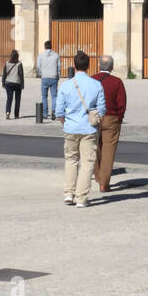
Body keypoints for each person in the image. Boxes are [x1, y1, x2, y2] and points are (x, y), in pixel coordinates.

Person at [54, 50, 105, 207]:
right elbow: (102, 110)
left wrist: (66, 123)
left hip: (70, 127)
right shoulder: (96, 85)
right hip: (89, 128)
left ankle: (69, 193)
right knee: (87, 163)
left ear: (74, 66)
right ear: (88, 66)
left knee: (71, 160)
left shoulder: (66, 85)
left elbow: (59, 111)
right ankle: (81, 198)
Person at [92, 55, 126, 192]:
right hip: (111, 118)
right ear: (112, 67)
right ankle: (103, 183)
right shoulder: (117, 82)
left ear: (99, 66)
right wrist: (119, 118)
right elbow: (121, 103)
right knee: (108, 151)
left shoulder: (91, 80)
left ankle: (98, 176)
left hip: (94, 117)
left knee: (95, 148)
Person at [37, 40, 61, 119]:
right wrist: (58, 75)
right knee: (54, 96)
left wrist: (40, 74)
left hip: (44, 77)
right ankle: (54, 111)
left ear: (44, 46)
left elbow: (38, 67)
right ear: (51, 46)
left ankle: (45, 114)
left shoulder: (40, 55)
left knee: (44, 96)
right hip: (53, 77)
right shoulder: (56, 55)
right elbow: (59, 67)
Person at [2, 49, 24, 119]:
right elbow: (21, 75)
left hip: (8, 83)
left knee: (9, 99)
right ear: (17, 56)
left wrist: (3, 83)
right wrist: (22, 85)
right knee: (17, 99)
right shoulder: (19, 64)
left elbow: (4, 74)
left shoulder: (7, 63)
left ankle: (8, 113)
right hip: (17, 83)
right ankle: (16, 115)